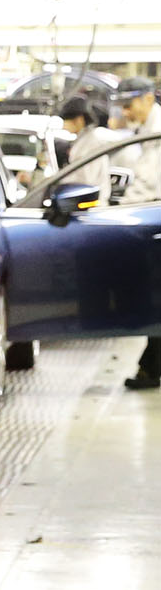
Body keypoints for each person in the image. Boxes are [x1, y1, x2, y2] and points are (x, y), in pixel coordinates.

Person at [112, 77, 161, 389]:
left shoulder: (157, 133)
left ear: (146, 98)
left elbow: (147, 184)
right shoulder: (147, 132)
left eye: (129, 104)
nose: (126, 112)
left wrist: (115, 214)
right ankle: (150, 367)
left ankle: (150, 367)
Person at [58, 95, 112, 204]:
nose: (63, 126)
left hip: (93, 206)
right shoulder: (84, 139)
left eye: (65, 121)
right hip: (85, 202)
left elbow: (87, 179)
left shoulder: (91, 142)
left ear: (79, 120)